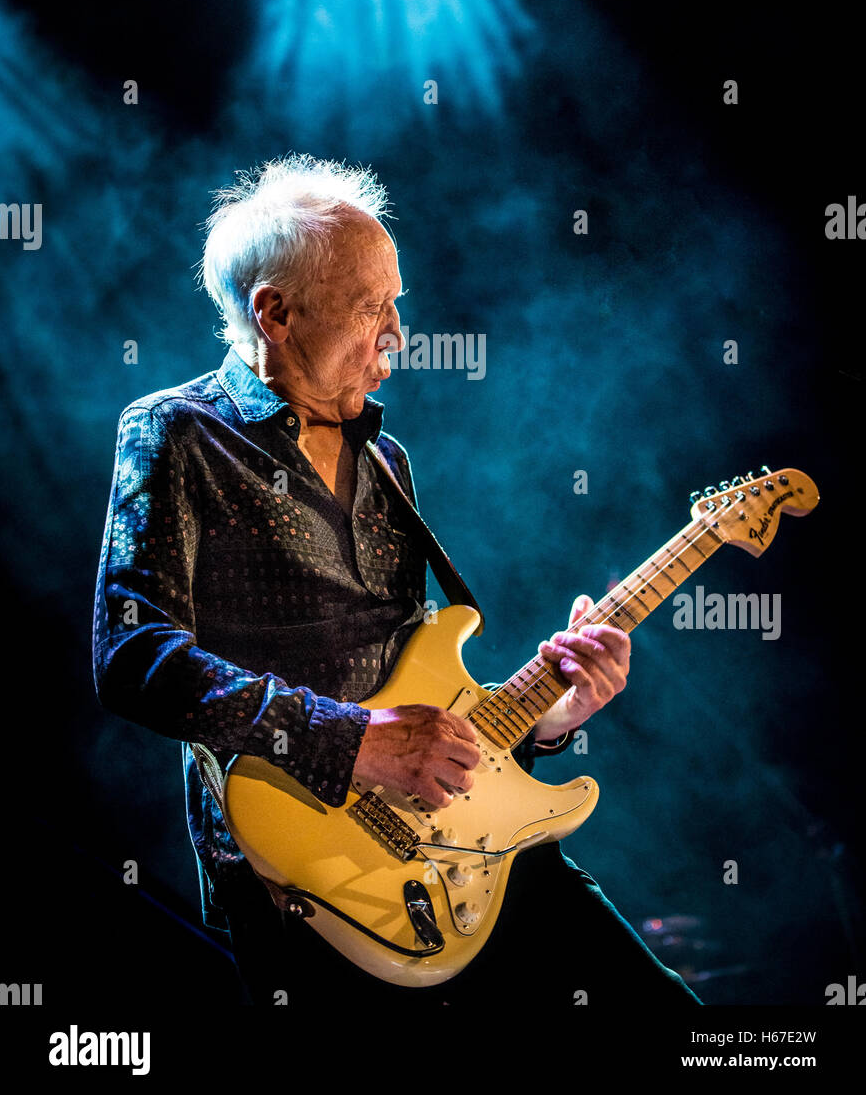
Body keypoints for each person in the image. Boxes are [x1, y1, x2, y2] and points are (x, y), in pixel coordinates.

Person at [92, 153, 701, 1011]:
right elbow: (133, 656)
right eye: (370, 307)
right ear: (275, 312)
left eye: (396, 306)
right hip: (304, 881)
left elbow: (419, 691)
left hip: (467, 852)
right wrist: (353, 741)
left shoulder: (387, 461)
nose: (396, 336)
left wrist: (550, 720)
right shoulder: (175, 433)